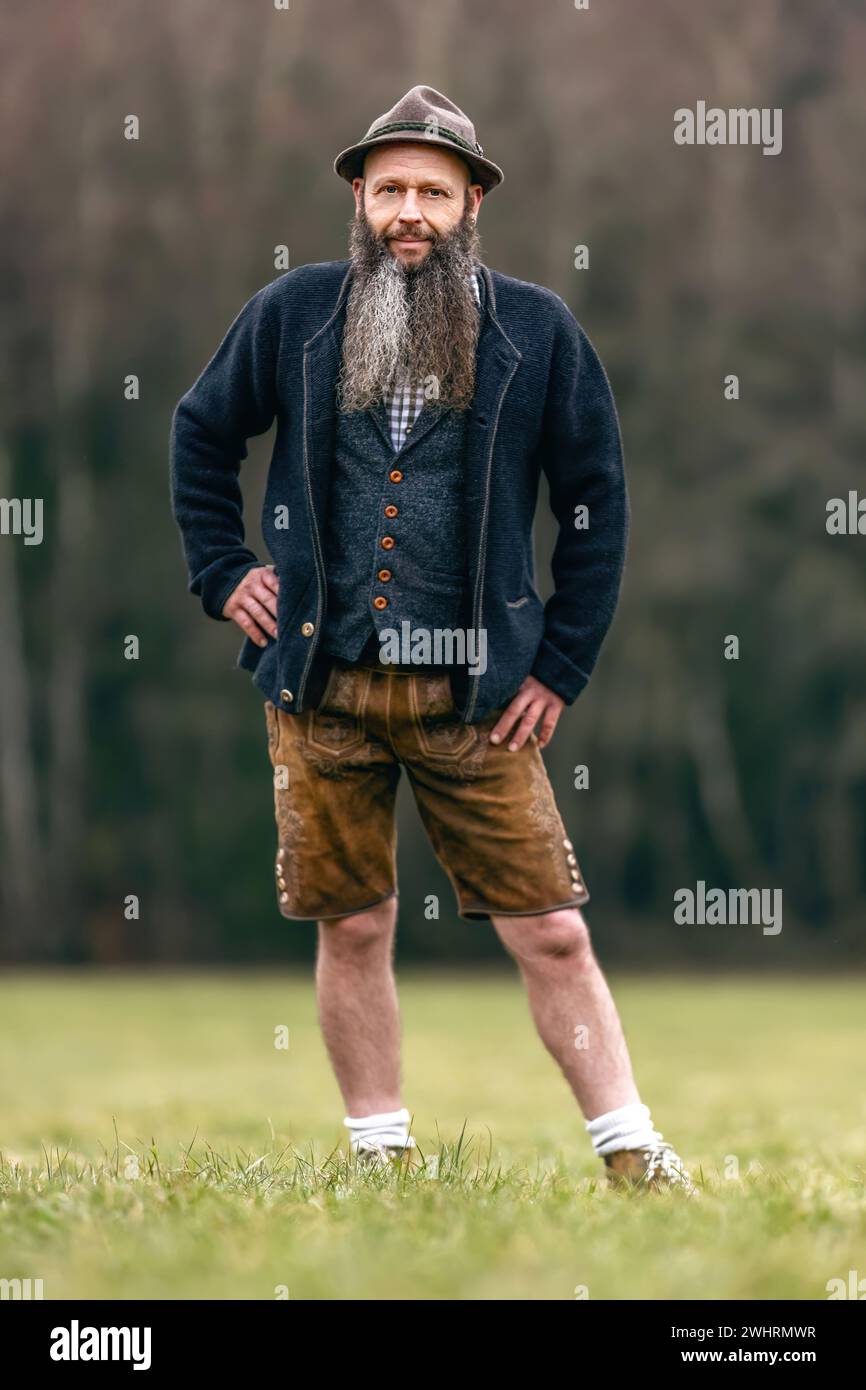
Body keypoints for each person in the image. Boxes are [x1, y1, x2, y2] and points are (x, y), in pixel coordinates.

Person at [170, 85, 696, 1194]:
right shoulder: (293, 313)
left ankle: (630, 1152)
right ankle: (380, 1160)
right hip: (318, 686)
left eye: (435, 193)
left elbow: (594, 498)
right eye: (391, 189)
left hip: (480, 696)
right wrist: (222, 572)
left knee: (551, 931)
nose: (410, 211)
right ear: (358, 198)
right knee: (352, 927)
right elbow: (200, 431)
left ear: (471, 208)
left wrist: (560, 661)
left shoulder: (537, 331)